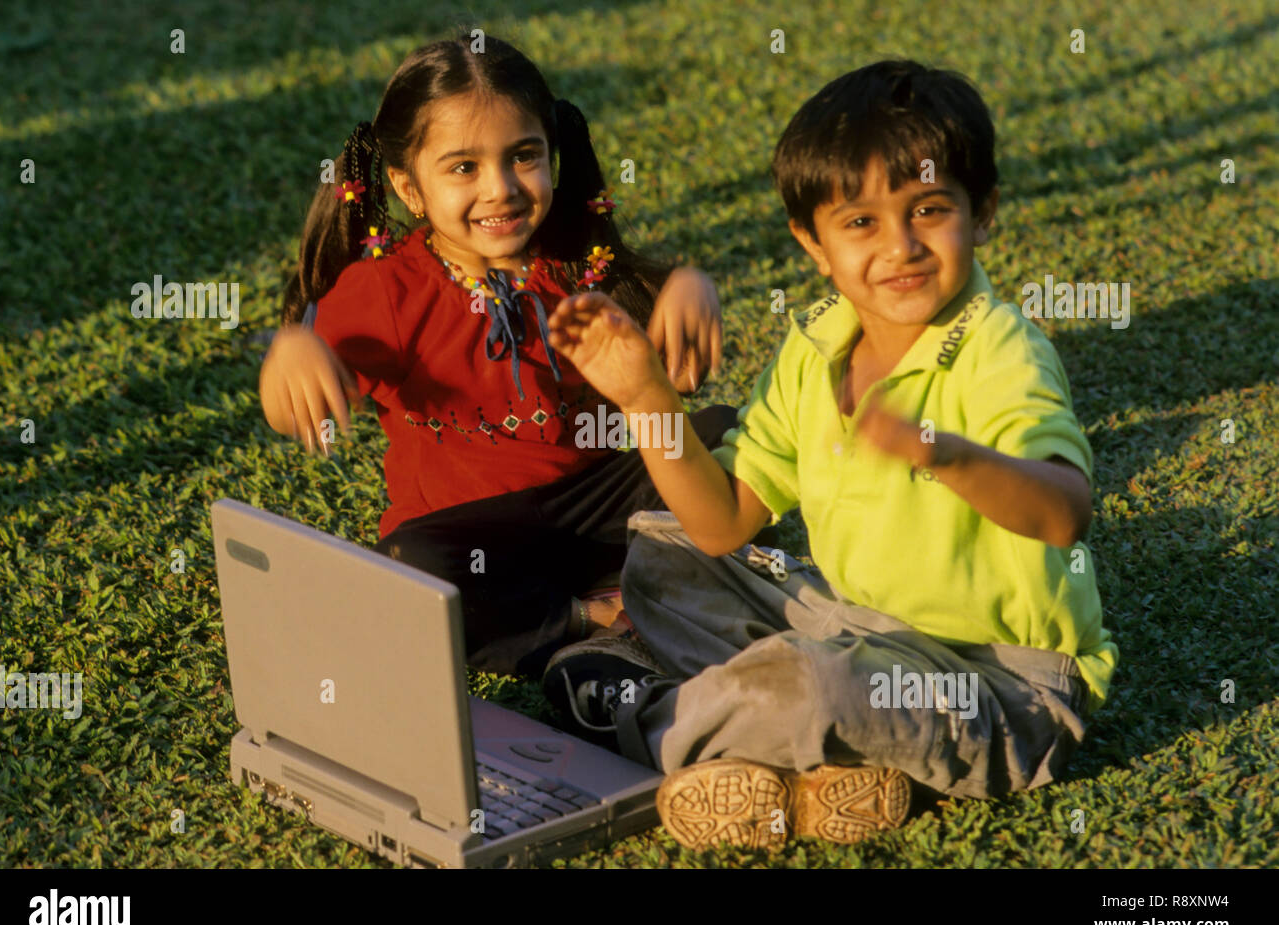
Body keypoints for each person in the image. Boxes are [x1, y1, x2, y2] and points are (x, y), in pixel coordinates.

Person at [542, 59, 1119, 852]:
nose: (900, 246)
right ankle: (826, 771)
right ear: (813, 243)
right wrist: (648, 402)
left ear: (982, 214)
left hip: (999, 685)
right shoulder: (817, 343)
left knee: (821, 681)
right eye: (860, 224)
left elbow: (1062, 513)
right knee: (663, 552)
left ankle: (648, 719)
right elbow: (721, 524)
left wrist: (942, 452)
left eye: (929, 209)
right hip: (859, 623)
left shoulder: (1000, 349)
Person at [258, 33, 732, 678]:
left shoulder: (579, 264)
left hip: (598, 507)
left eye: (523, 157)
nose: (501, 189)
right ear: (409, 187)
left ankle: (620, 594)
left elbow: (666, 367)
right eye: (463, 168)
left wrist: (690, 287)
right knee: (410, 574)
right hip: (472, 535)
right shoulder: (386, 290)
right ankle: (593, 619)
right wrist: (292, 352)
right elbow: (298, 410)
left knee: (731, 437)